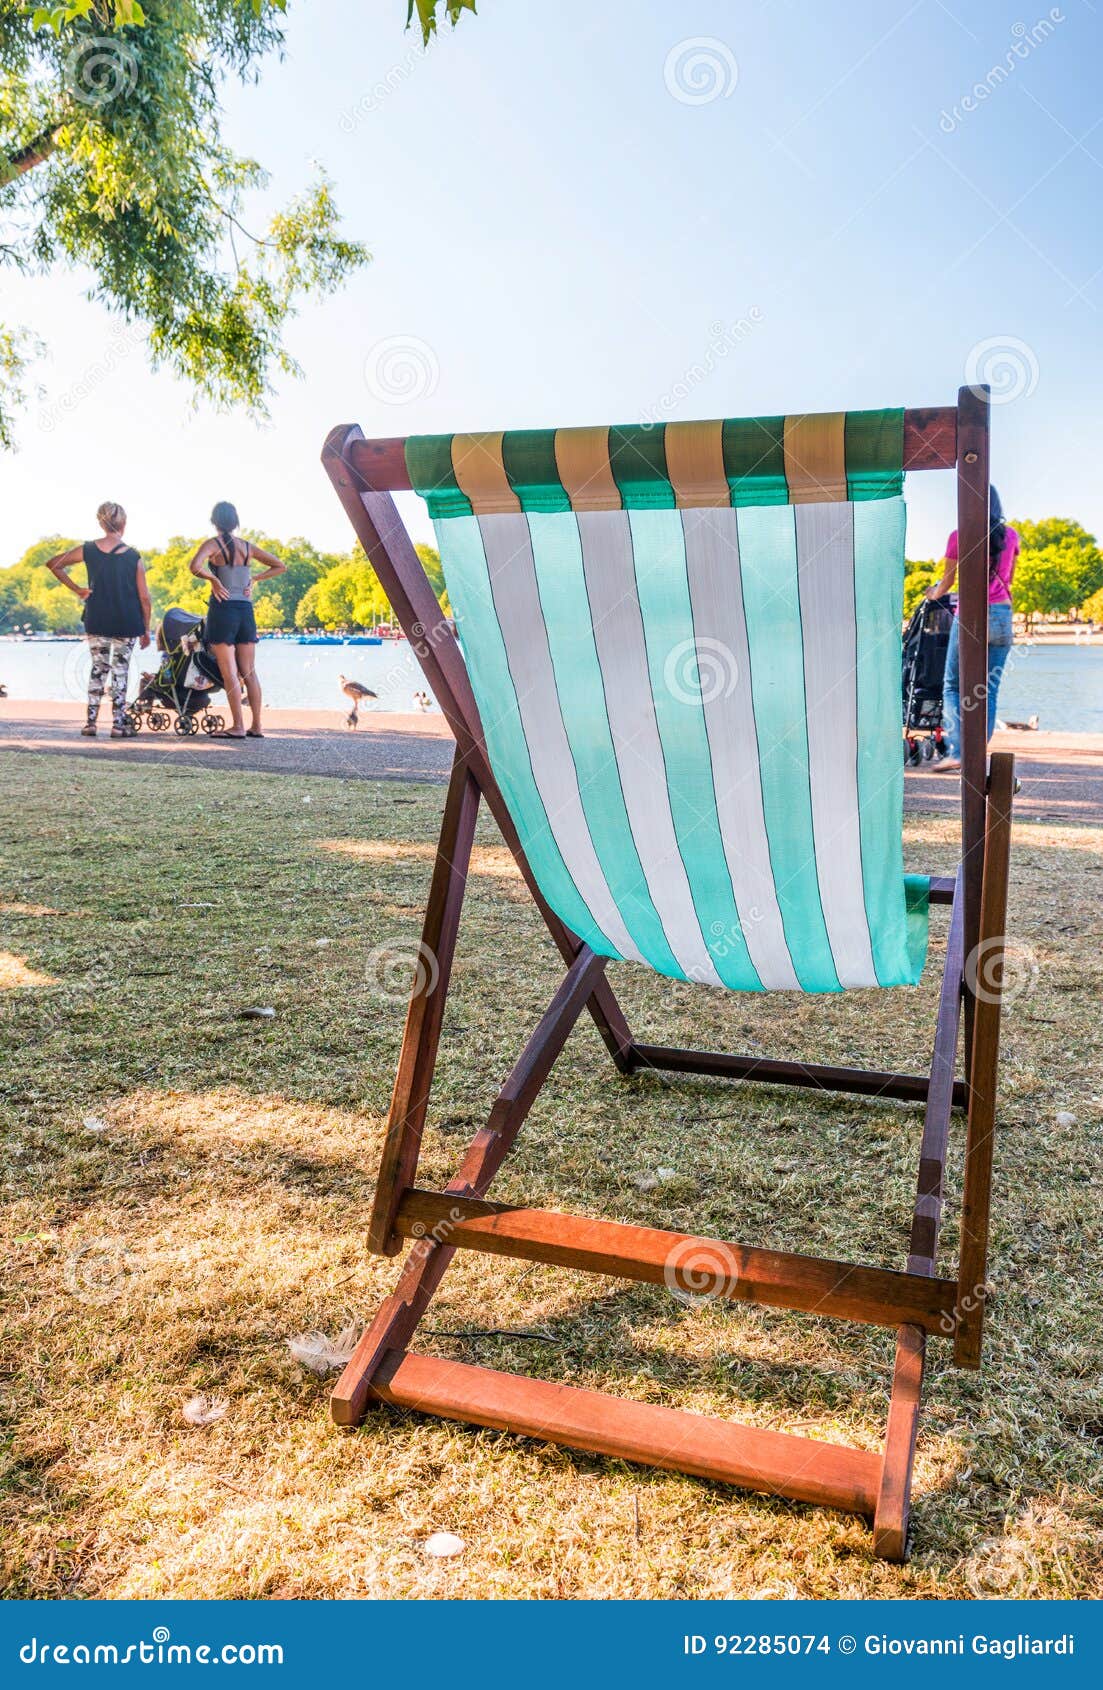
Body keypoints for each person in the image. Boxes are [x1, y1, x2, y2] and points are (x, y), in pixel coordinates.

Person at [926, 486, 1019, 773]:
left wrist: (932, 594)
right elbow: (1010, 578)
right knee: (988, 688)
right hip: (1002, 613)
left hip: (970, 615)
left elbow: (948, 583)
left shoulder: (959, 536)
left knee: (953, 685)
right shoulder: (1011, 536)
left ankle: (957, 752)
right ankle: (977, 754)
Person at [45, 502, 151, 738]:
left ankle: (90, 723)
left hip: (97, 618)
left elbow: (54, 564)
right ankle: (118, 724)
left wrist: (78, 590)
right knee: (120, 671)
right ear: (123, 523)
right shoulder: (134, 556)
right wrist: (146, 628)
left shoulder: (88, 550)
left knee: (98, 667)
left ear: (101, 523)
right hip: (127, 620)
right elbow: (144, 596)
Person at [188, 503, 285, 740]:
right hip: (245, 611)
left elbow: (194, 566)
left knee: (230, 671)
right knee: (249, 672)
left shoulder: (212, 544)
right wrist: (256, 579)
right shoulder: (247, 547)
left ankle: (238, 726)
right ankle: (257, 725)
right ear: (235, 521)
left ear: (214, 521)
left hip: (223, 611)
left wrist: (212, 579)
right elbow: (280, 566)